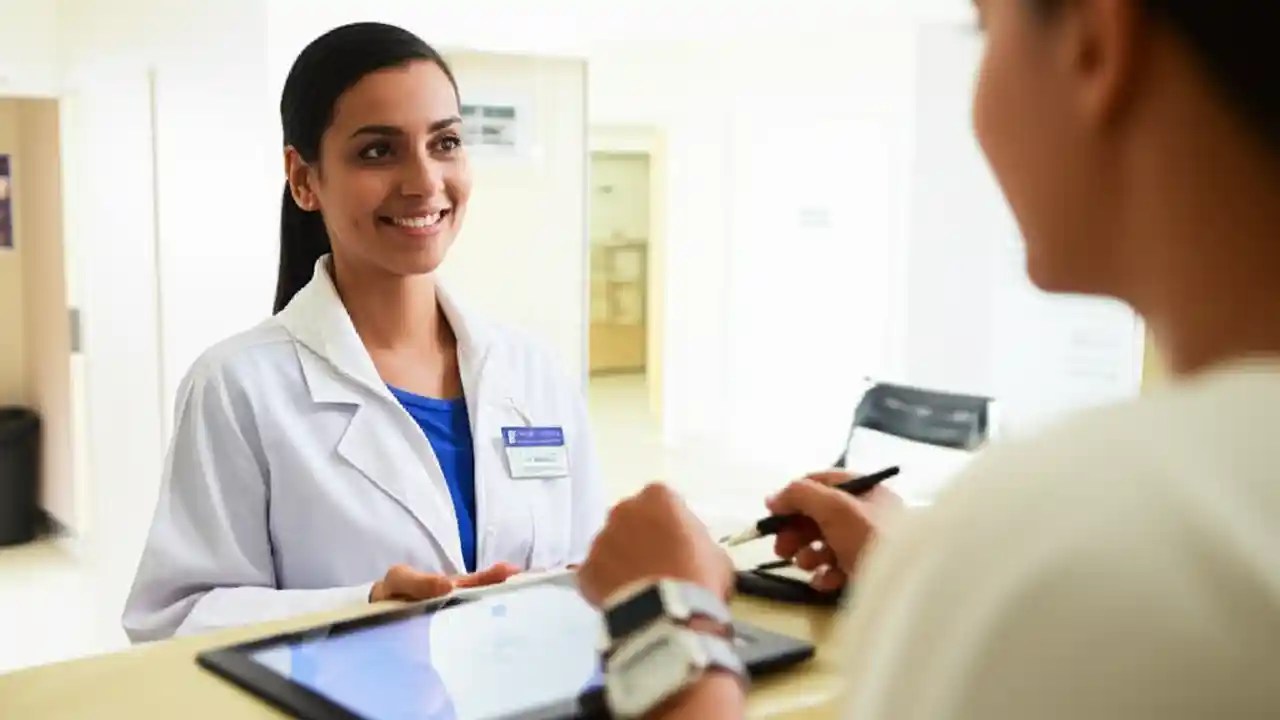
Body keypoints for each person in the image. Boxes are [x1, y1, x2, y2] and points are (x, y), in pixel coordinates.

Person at [578, 0, 1280, 717]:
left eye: (985, 32)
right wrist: (915, 565)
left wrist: (672, 621)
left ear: (1095, 46)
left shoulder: (1074, 542)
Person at [123, 22, 605, 642]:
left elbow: (591, 567)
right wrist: (365, 605)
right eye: (378, 151)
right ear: (304, 179)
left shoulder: (532, 371)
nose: (425, 182)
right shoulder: (237, 386)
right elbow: (173, 622)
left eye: (446, 142)